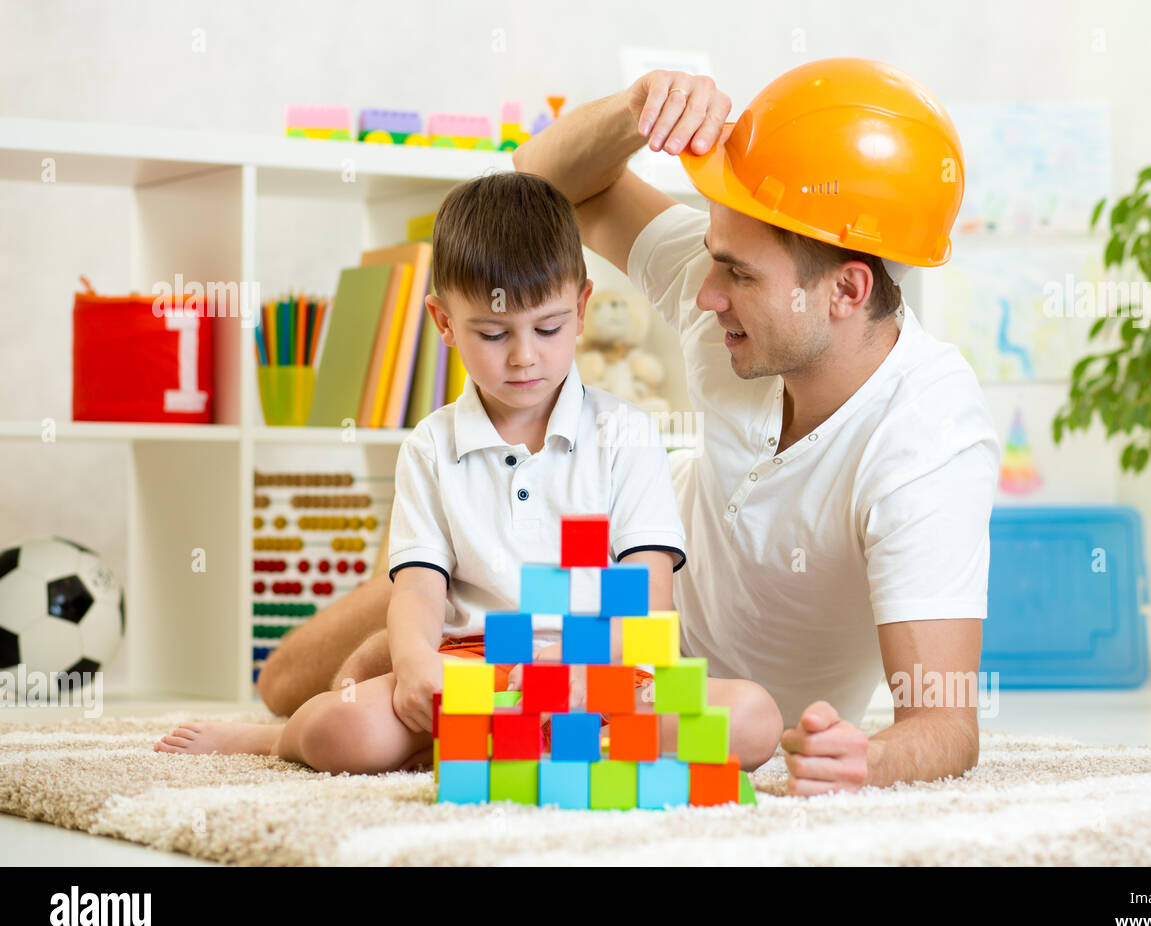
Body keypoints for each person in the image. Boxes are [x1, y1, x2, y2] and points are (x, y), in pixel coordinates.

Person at [155, 171, 784, 773]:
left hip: (602, 672)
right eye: (492, 332)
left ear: (583, 307)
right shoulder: (432, 446)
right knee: (338, 728)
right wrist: (414, 662)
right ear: (444, 323)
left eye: (548, 327)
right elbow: (419, 589)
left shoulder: (626, 433)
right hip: (475, 666)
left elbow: (648, 600)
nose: (524, 357)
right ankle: (271, 740)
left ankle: (493, 745)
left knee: (753, 718)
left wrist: (581, 665)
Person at [510, 58, 1001, 794]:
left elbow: (943, 725)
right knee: (351, 657)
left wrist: (867, 760)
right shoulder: (742, 292)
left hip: (715, 714)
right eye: (717, 262)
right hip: (608, 576)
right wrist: (635, 109)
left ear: (845, 290)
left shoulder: (929, 436)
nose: (708, 295)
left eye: (738, 274)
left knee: (400, 712)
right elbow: (533, 190)